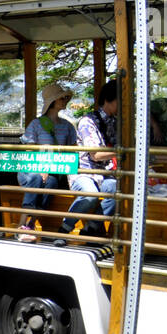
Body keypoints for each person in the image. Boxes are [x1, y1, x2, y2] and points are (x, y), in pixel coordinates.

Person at [16, 83, 76, 242]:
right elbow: (28, 150)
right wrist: (42, 166)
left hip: (52, 172)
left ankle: (30, 224)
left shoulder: (68, 127)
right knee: (36, 177)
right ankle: (22, 223)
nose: (64, 100)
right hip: (31, 170)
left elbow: (72, 150)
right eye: (61, 98)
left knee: (51, 183)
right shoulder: (36, 124)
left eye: (65, 97)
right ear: (53, 102)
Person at [61, 80, 119, 239]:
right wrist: (120, 152)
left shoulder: (115, 122)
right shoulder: (87, 121)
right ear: (108, 100)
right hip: (84, 172)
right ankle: (65, 229)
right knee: (90, 194)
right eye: (119, 101)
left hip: (103, 173)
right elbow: (95, 154)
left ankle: (91, 228)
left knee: (118, 190)